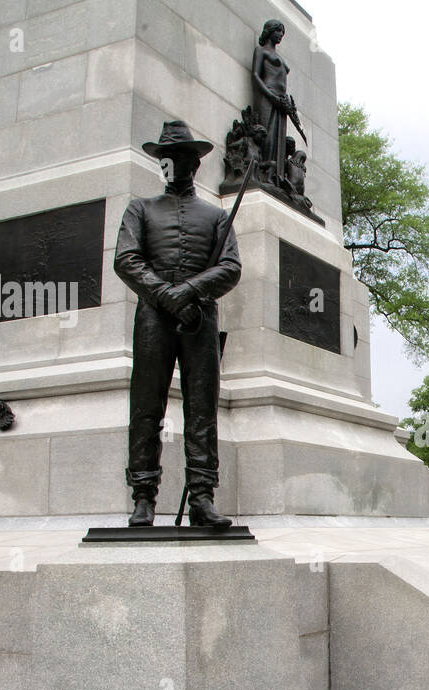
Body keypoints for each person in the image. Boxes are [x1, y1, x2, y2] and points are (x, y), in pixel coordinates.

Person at [114, 120, 242, 528]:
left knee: (202, 409)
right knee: (146, 406)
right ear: (161, 164)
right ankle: (143, 496)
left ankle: (202, 496)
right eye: (168, 158)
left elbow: (231, 267)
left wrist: (188, 292)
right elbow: (126, 259)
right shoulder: (141, 209)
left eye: (183, 157)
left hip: (200, 319)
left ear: (195, 164)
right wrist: (164, 295)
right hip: (153, 318)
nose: (175, 164)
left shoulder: (217, 217)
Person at [250, 19, 293, 183]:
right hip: (268, 96)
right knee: (267, 134)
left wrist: (283, 101)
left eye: (282, 32)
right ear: (269, 31)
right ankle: (263, 169)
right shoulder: (261, 51)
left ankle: (275, 174)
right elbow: (255, 75)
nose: (281, 35)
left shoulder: (280, 57)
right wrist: (270, 96)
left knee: (279, 139)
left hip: (281, 102)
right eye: (278, 31)